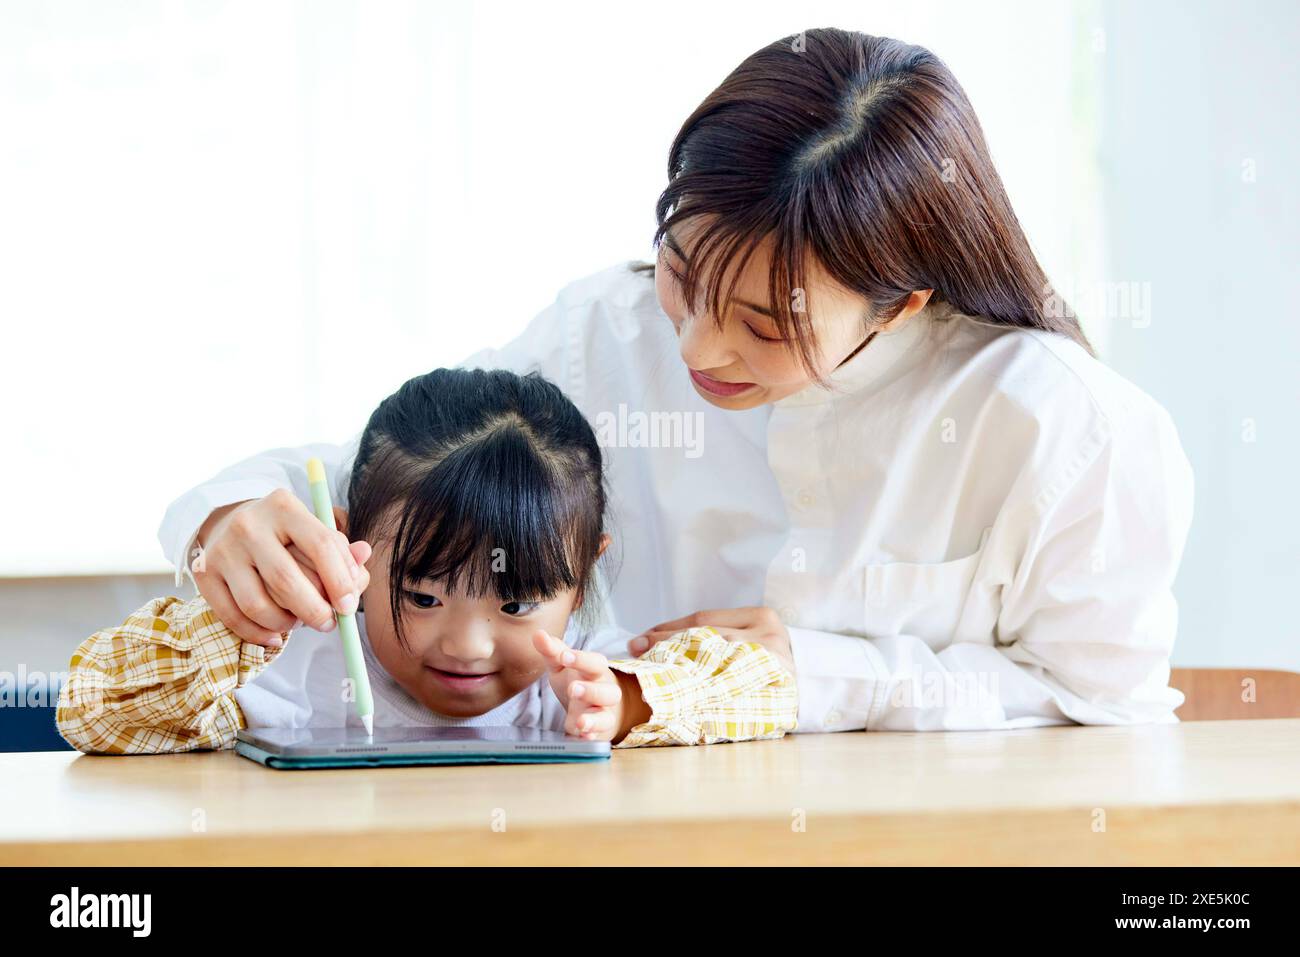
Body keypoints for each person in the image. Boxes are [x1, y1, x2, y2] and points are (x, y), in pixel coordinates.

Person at [158, 28, 1194, 733]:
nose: (699, 351)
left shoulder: (1069, 435)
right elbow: (392, 477)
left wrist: (822, 671)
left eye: (764, 325)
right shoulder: (598, 338)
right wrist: (234, 520)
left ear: (902, 303)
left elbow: (1102, 715)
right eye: (682, 276)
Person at [57, 368, 797, 753]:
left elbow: (769, 688)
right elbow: (90, 706)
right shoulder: (287, 666)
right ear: (348, 546)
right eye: (420, 594)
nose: (467, 645)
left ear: (585, 573)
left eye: (515, 604)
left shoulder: (580, 681)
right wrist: (239, 631)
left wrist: (636, 703)